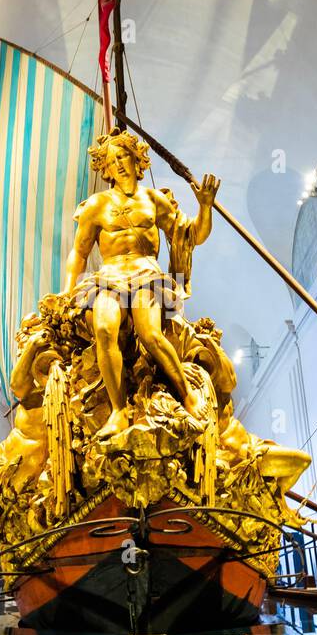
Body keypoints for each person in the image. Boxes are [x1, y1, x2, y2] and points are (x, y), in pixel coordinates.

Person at [64, 130, 219, 438]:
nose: (119, 164)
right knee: (105, 328)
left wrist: (205, 207)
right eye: (112, 160)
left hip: (147, 275)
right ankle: (119, 411)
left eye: (123, 156)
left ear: (136, 161)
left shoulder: (154, 200)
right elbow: (79, 253)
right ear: (105, 169)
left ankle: (187, 394)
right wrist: (68, 293)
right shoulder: (96, 206)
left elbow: (191, 237)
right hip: (109, 278)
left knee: (150, 333)